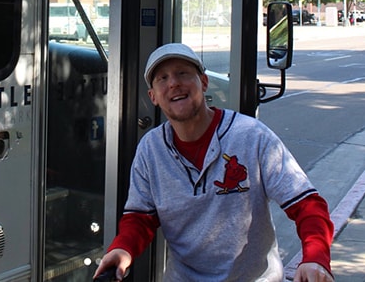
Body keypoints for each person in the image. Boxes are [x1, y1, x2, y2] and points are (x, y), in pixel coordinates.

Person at [92, 43, 333, 282]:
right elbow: (140, 217)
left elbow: (306, 204)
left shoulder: (251, 136)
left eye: (183, 73)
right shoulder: (150, 149)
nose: (173, 83)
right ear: (153, 96)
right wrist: (122, 248)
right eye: (162, 78)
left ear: (204, 82)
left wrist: (315, 257)